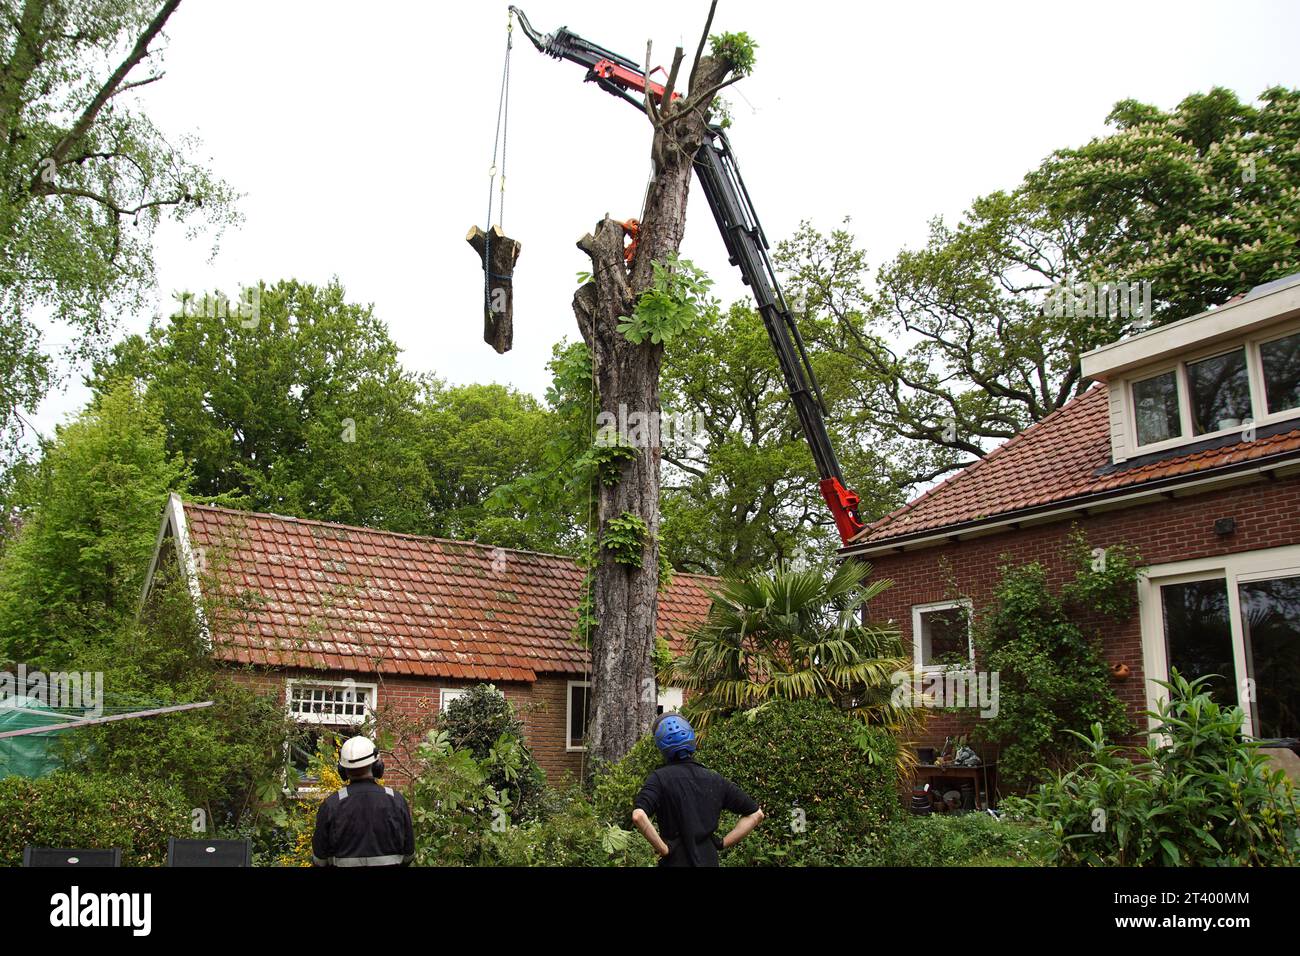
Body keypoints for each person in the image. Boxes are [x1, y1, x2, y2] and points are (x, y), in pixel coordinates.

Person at [631, 713, 765, 867]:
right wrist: (722, 843)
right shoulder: (715, 779)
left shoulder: (659, 779)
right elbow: (756, 814)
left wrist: (664, 850)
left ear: (661, 745)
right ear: (691, 737)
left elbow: (639, 816)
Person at [312, 735, 415, 867]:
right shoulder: (397, 801)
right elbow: (409, 855)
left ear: (342, 770)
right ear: (377, 766)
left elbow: (319, 861)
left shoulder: (331, 805)